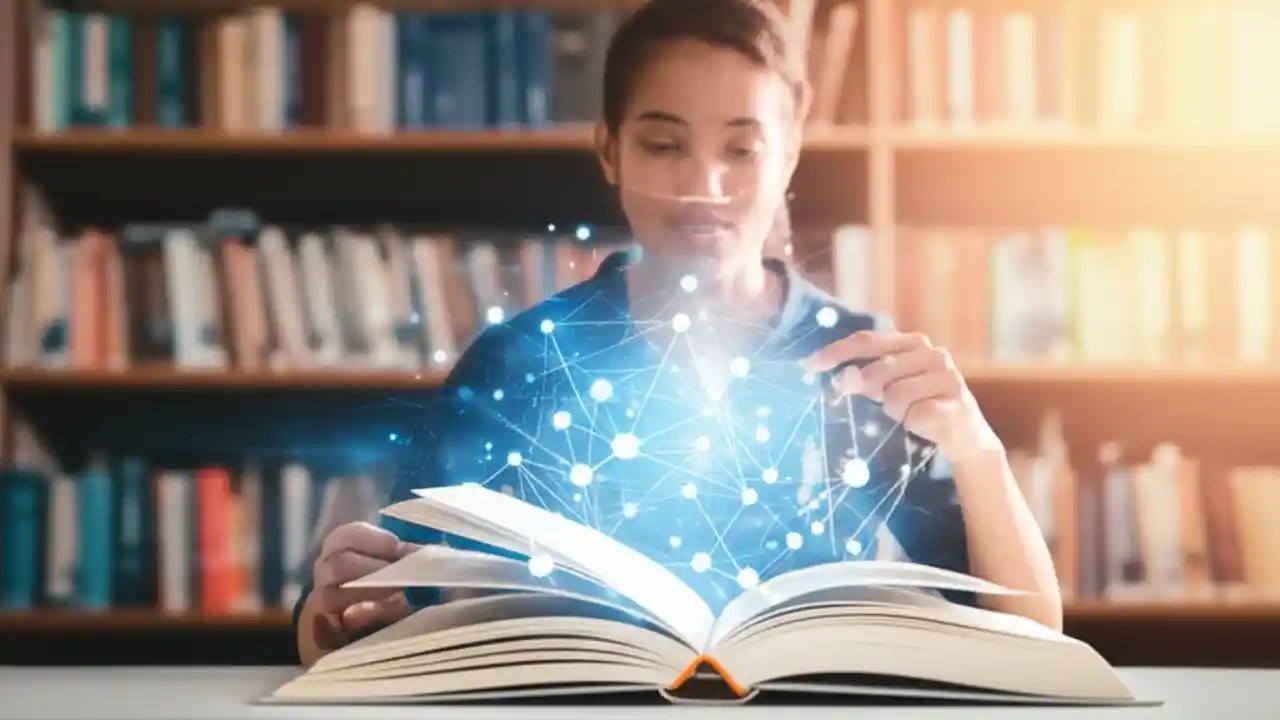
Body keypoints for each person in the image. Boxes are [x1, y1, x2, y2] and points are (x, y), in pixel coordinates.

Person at [293, 0, 1062, 668]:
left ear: (789, 154)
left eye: (742, 148)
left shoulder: (864, 358)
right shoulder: (521, 360)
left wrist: (978, 451)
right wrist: (336, 616)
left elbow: (1032, 639)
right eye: (664, 144)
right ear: (609, 150)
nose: (706, 185)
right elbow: (370, 615)